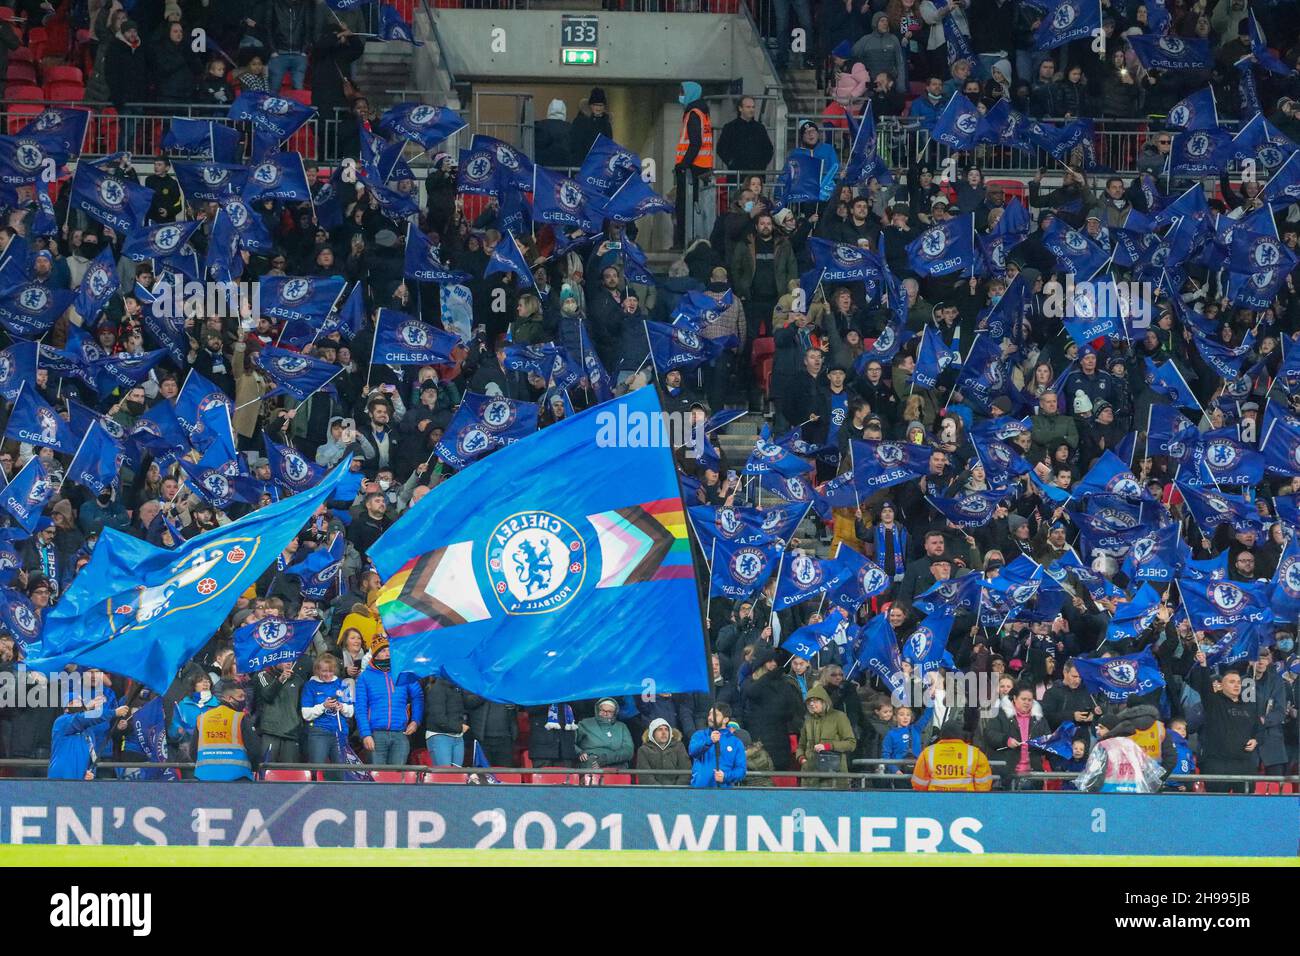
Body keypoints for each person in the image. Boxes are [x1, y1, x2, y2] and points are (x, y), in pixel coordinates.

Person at [353, 637, 423, 767]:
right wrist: (365, 734)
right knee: (378, 777)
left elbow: (418, 696)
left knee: (397, 778)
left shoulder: (402, 672)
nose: (387, 653)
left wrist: (415, 721)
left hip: (400, 734)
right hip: (375, 734)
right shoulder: (365, 677)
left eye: (389, 649)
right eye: (383, 650)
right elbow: (360, 708)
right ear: (375, 654)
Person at [1075, 709, 1167, 793]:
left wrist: (1087, 789)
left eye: (1101, 728)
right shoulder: (1133, 746)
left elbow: (1094, 776)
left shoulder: (1103, 746)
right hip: (1135, 794)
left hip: (1108, 795)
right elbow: (1151, 775)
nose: (1098, 731)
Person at [48, 693, 131, 781]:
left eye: (81, 701)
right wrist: (114, 712)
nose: (80, 703)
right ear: (68, 706)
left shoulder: (89, 731)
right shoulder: (62, 721)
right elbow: (83, 718)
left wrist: (91, 773)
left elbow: (92, 756)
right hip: (60, 777)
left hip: (80, 780)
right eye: (76, 701)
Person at [193, 679, 261, 782]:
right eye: (241, 696)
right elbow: (255, 750)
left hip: (204, 777)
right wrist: (254, 768)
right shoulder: (239, 718)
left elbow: (193, 751)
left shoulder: (202, 718)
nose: (244, 700)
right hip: (237, 777)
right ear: (229, 698)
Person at [794, 684, 857, 788]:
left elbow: (851, 743)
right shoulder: (808, 721)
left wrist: (828, 746)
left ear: (824, 701)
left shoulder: (839, 717)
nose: (812, 704)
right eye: (809, 701)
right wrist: (802, 759)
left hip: (834, 775)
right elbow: (801, 745)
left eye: (815, 701)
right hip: (809, 775)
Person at [911, 719, 993, 791]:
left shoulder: (928, 752)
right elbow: (983, 786)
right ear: (961, 734)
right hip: (966, 801)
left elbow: (919, 784)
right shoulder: (976, 753)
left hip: (936, 801)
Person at [688, 703, 747, 788]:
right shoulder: (699, 735)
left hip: (724, 794)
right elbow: (692, 751)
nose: (710, 718)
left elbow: (741, 770)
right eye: (710, 714)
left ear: (725, 719)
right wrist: (709, 741)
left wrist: (725, 776)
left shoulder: (736, 743)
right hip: (699, 791)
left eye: (715, 715)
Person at [715, 95, 774, 173]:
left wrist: (762, 165)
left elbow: (768, 149)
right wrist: (731, 163)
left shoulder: (760, 128)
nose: (751, 110)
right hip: (737, 173)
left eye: (753, 107)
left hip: (756, 173)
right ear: (740, 108)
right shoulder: (730, 127)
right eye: (748, 107)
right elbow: (721, 148)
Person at [574, 697, 634, 770]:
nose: (605, 713)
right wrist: (579, 752)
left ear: (614, 713)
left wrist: (605, 759)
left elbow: (628, 751)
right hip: (591, 762)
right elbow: (570, 742)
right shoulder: (585, 724)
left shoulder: (622, 727)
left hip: (617, 765)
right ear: (597, 710)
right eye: (603, 710)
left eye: (609, 711)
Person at [634, 717, 691, 785]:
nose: (664, 733)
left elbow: (686, 772)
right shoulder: (643, 750)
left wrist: (675, 789)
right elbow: (645, 777)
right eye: (660, 730)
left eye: (666, 730)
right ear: (653, 733)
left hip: (677, 792)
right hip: (652, 792)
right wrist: (660, 791)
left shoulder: (679, 747)